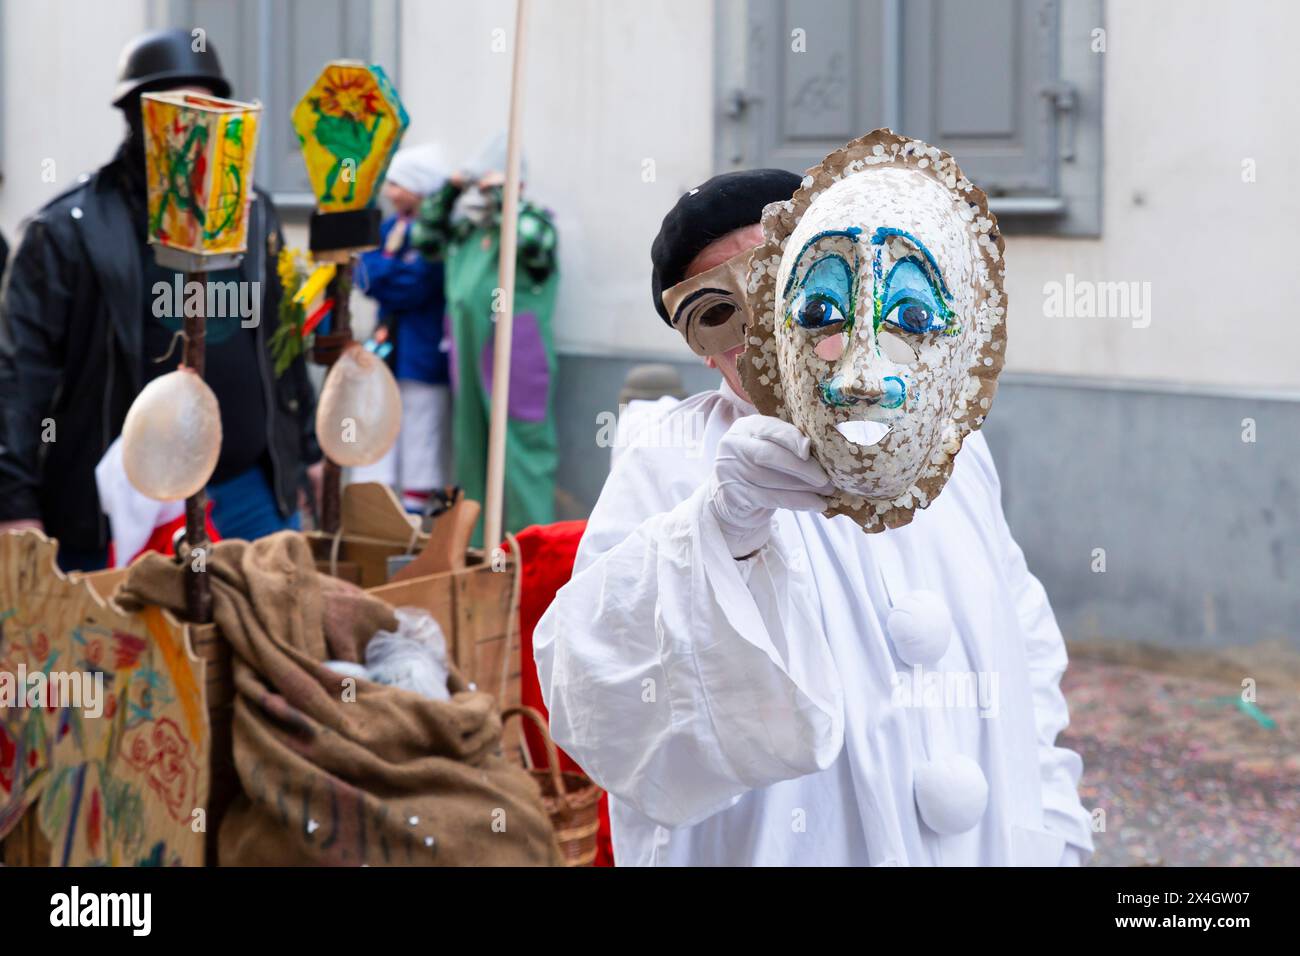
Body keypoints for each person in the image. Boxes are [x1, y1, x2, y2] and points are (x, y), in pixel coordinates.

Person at [533, 169, 1094, 866]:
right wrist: (721, 531)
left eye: (792, 285)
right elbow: (601, 694)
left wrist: (1051, 819)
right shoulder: (672, 463)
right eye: (723, 312)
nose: (768, 333)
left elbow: (1025, 643)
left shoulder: (950, 445)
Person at [0, 29, 320, 570]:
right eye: (172, 112)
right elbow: (22, 376)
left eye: (205, 109)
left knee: (266, 637)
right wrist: (13, 500)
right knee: (129, 651)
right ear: (134, 118)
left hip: (251, 489)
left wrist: (307, 449)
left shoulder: (255, 213)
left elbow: (280, 343)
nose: (192, 130)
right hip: (124, 503)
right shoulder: (65, 231)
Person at [411, 133, 558, 544]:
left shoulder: (533, 222)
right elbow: (425, 238)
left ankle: (534, 545)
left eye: (490, 187)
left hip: (516, 355)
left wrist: (504, 201)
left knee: (522, 452)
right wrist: (451, 189)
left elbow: (534, 246)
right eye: (478, 187)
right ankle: (477, 547)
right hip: (468, 353)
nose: (481, 196)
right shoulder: (466, 232)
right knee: (471, 451)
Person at [354, 144, 453, 513]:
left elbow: (417, 283)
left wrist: (380, 273)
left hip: (423, 351)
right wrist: (382, 274)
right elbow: (362, 274)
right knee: (379, 426)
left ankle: (417, 520)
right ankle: (374, 514)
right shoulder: (388, 227)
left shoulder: (434, 235)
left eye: (399, 184)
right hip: (388, 347)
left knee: (422, 434)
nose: (390, 192)